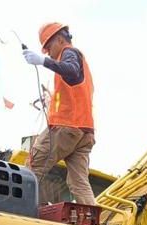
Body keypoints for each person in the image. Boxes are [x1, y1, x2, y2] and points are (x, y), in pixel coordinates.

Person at [21, 22, 96, 205]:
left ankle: (17, 210)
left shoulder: (69, 53)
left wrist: (43, 61)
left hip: (66, 126)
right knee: (79, 183)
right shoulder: (82, 63)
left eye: (48, 47)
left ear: (60, 40)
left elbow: (70, 70)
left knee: (33, 167)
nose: (47, 52)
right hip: (84, 132)